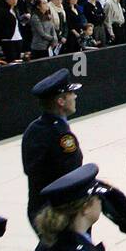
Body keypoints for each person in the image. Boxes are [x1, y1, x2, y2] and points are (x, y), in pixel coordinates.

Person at [21, 68, 83, 227]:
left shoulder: (34, 128)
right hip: (58, 213)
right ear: (61, 101)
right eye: (71, 93)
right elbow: (72, 174)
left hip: (39, 207)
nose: (75, 96)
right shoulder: (62, 136)